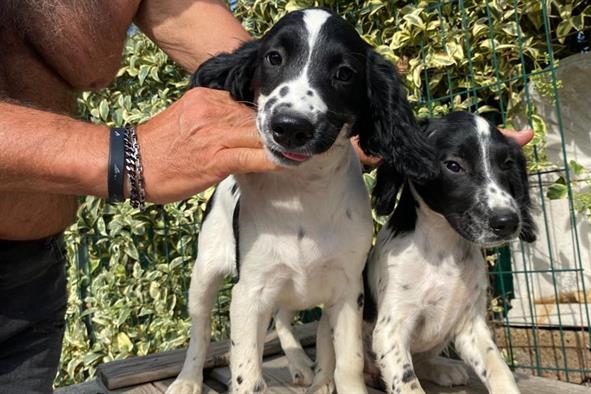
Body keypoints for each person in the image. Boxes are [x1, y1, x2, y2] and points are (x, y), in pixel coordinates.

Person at [0, 1, 533, 392]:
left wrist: (432, 150)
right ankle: (196, 360)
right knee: (213, 282)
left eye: (343, 75)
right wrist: (125, 155)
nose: (293, 112)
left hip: (29, 285)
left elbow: (218, 33)